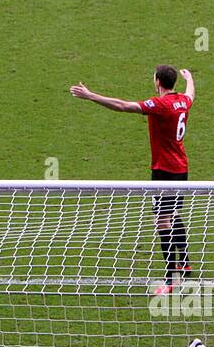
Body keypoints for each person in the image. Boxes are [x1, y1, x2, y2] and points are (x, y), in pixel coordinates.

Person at [70, 65, 196, 293]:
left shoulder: (160, 105)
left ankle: (170, 279)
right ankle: (185, 262)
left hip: (164, 171)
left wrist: (90, 96)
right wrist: (190, 78)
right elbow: (190, 94)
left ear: (158, 81)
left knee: (162, 221)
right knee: (174, 214)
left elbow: (122, 106)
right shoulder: (182, 102)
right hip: (181, 167)